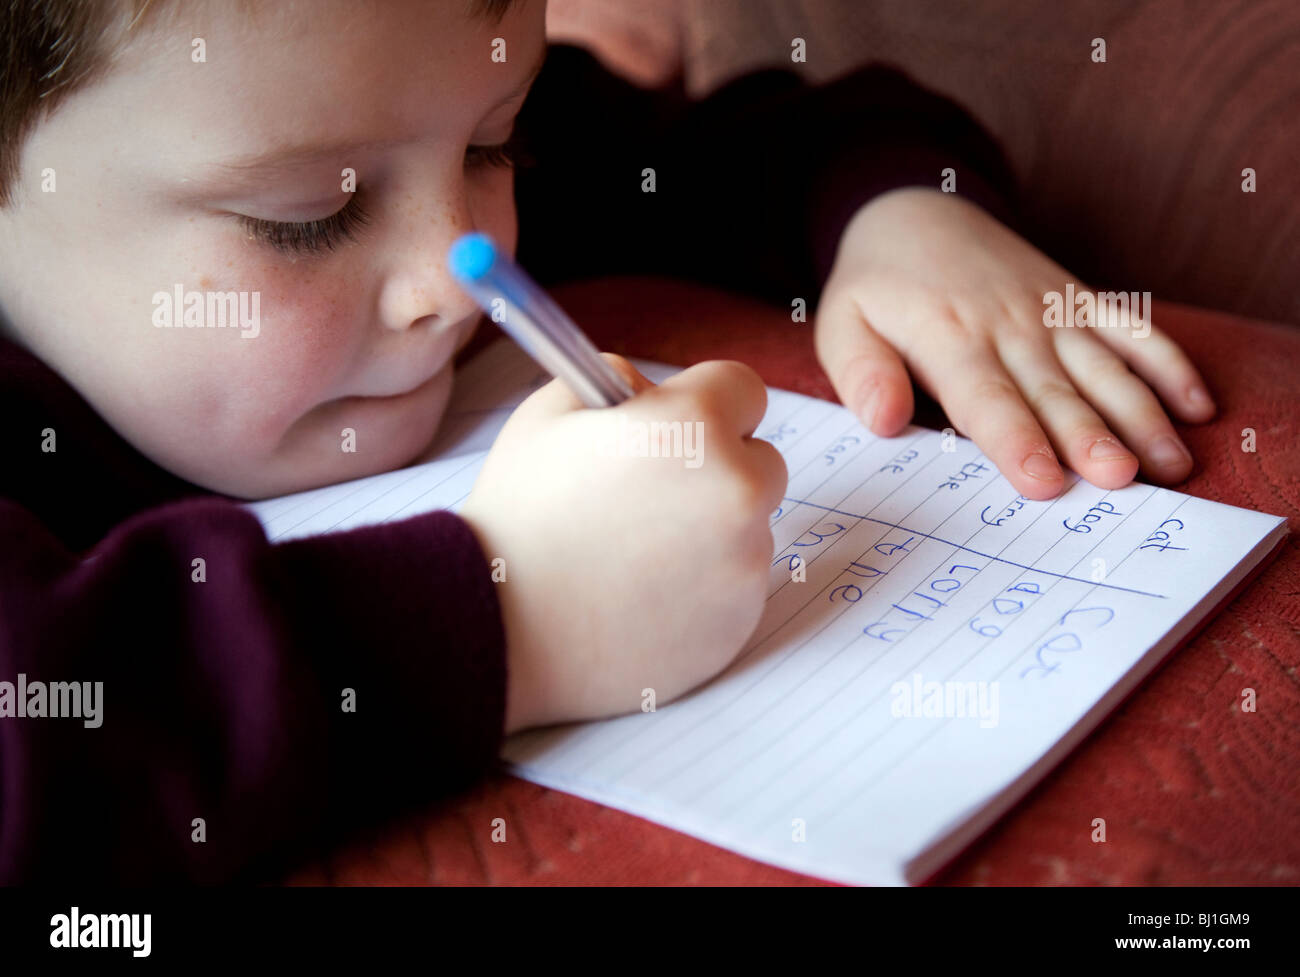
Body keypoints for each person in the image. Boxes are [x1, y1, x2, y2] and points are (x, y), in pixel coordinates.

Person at [0, 0, 1212, 883]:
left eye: (496, 147)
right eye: (311, 215)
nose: (461, 270)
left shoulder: (393, 97)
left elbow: (793, 134)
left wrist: (903, 214)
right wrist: (512, 612)